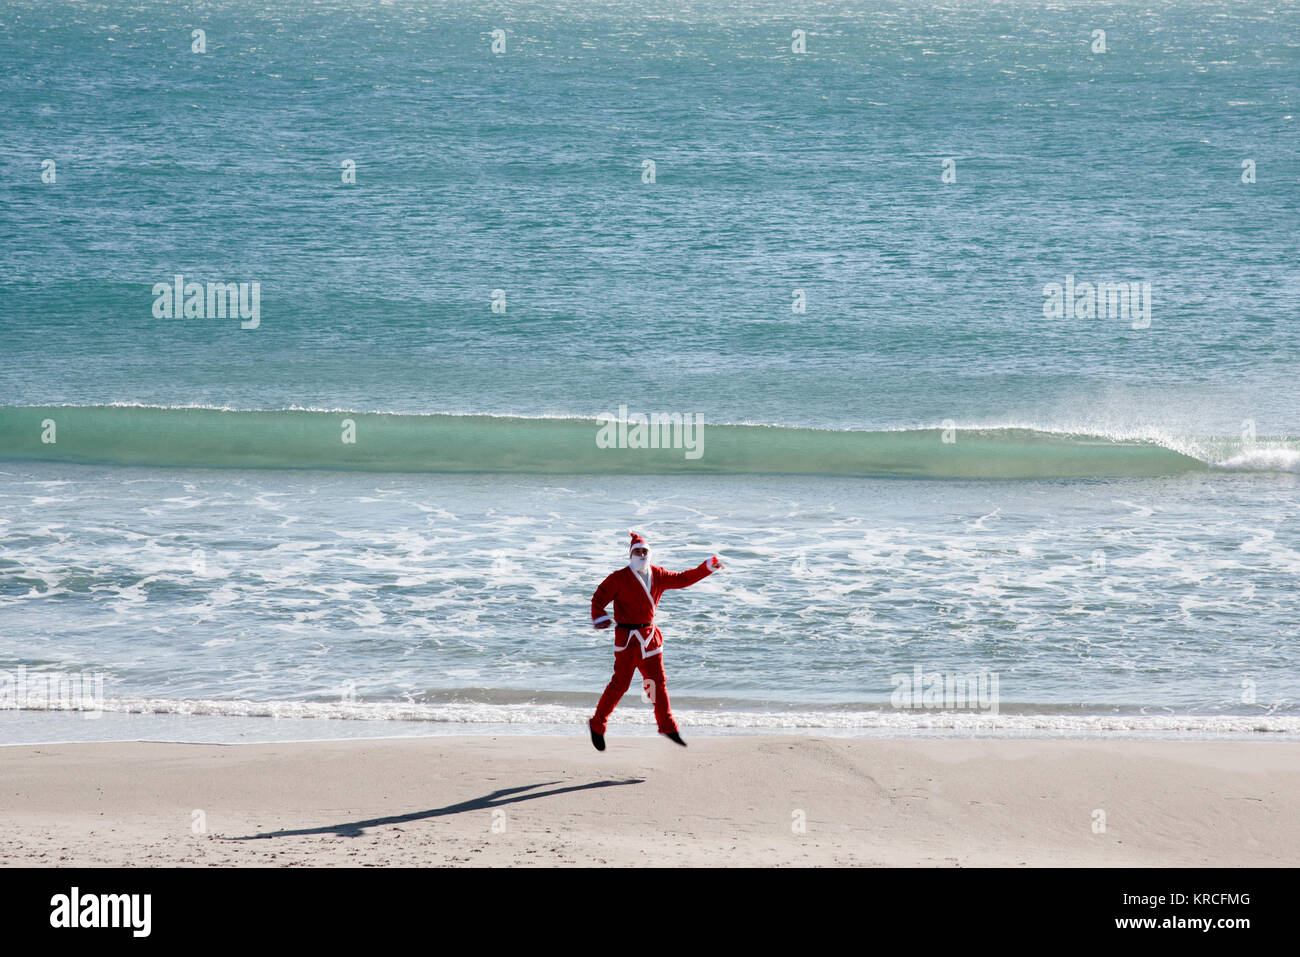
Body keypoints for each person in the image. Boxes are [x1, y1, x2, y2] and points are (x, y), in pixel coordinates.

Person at [587, 532, 724, 750]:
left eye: (644, 551)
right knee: (619, 685)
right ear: (630, 555)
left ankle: (667, 727)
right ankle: (597, 724)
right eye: (637, 551)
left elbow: (683, 579)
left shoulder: (658, 574)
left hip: (650, 639)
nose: (641, 554)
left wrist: (707, 567)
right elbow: (598, 599)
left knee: (657, 684)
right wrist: (600, 616)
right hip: (627, 640)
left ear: (649, 554)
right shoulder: (618, 578)